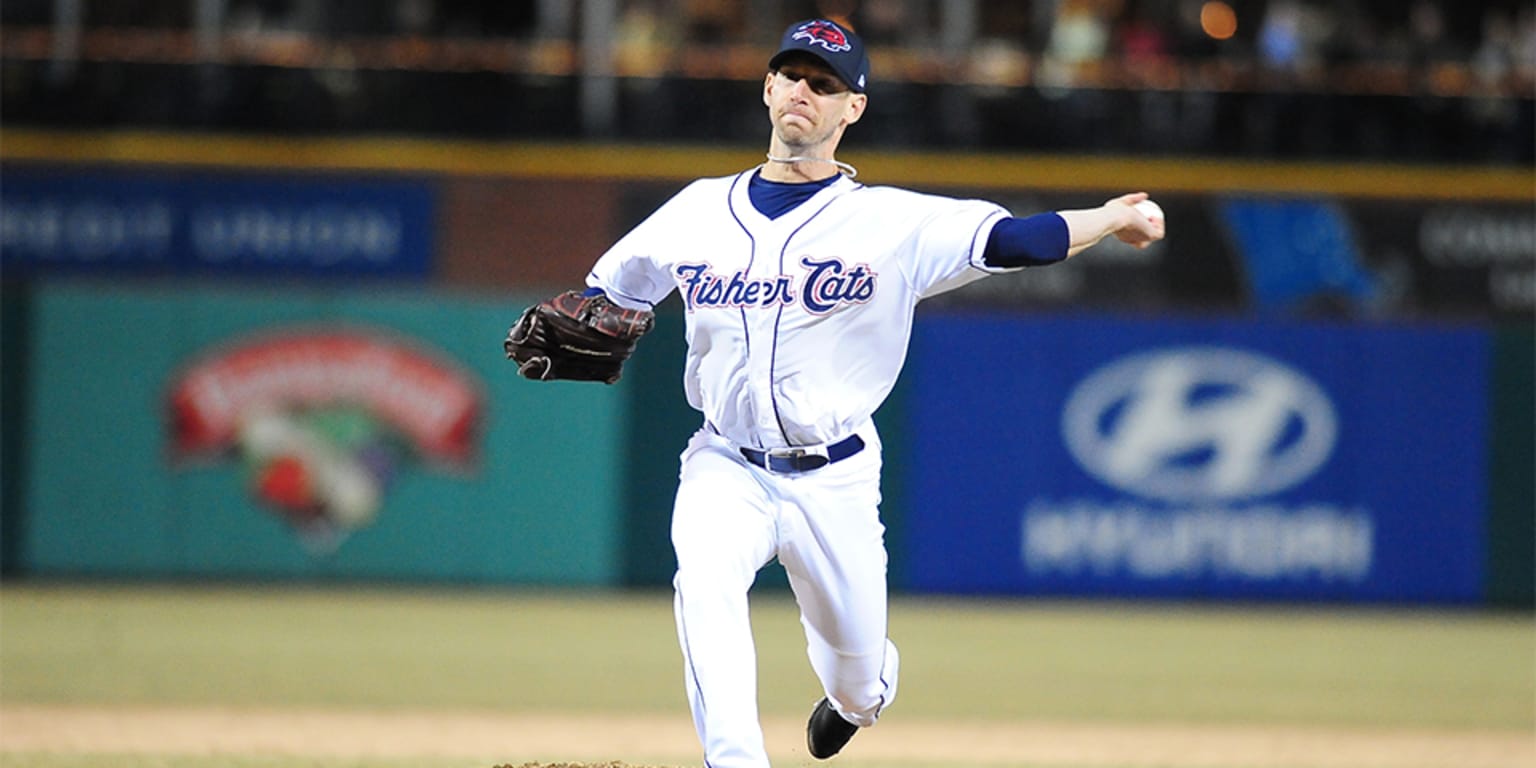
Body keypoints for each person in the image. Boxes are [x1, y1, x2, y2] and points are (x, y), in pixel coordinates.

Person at [580, 18, 1164, 768]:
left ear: (851, 109)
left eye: (824, 85)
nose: (803, 92)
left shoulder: (893, 221)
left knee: (857, 682)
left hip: (836, 478)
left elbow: (1017, 241)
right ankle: (734, 760)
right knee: (704, 580)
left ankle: (860, 693)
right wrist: (595, 309)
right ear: (767, 87)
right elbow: (609, 288)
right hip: (724, 462)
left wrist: (1112, 217)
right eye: (792, 76)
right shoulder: (697, 208)